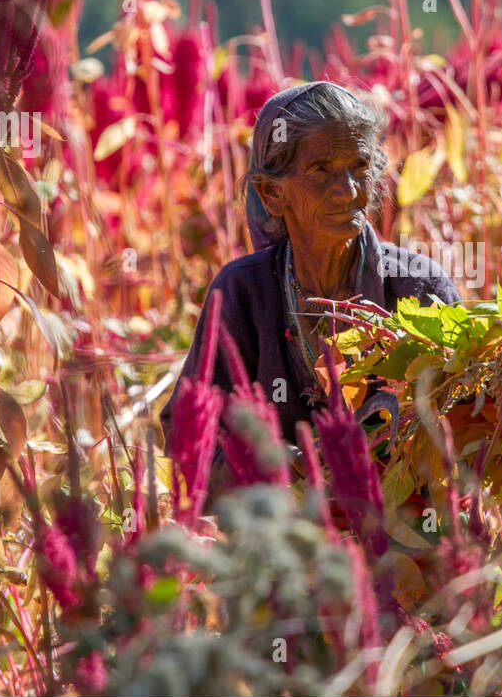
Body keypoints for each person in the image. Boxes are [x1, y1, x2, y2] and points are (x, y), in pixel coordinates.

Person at [158, 80, 461, 489]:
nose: (348, 190)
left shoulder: (418, 287)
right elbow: (188, 436)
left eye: (359, 166)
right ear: (270, 194)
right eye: (321, 170)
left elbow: (466, 424)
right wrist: (264, 465)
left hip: (402, 541)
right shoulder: (242, 293)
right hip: (279, 539)